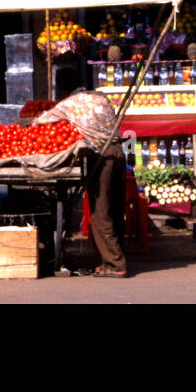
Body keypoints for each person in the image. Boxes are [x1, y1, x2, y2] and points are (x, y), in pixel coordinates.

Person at [35, 67, 127, 277]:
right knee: (114, 208)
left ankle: (116, 265)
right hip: (119, 151)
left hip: (102, 155)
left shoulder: (69, 104)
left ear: (62, 87)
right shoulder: (100, 97)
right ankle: (110, 260)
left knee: (100, 211)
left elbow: (39, 122)